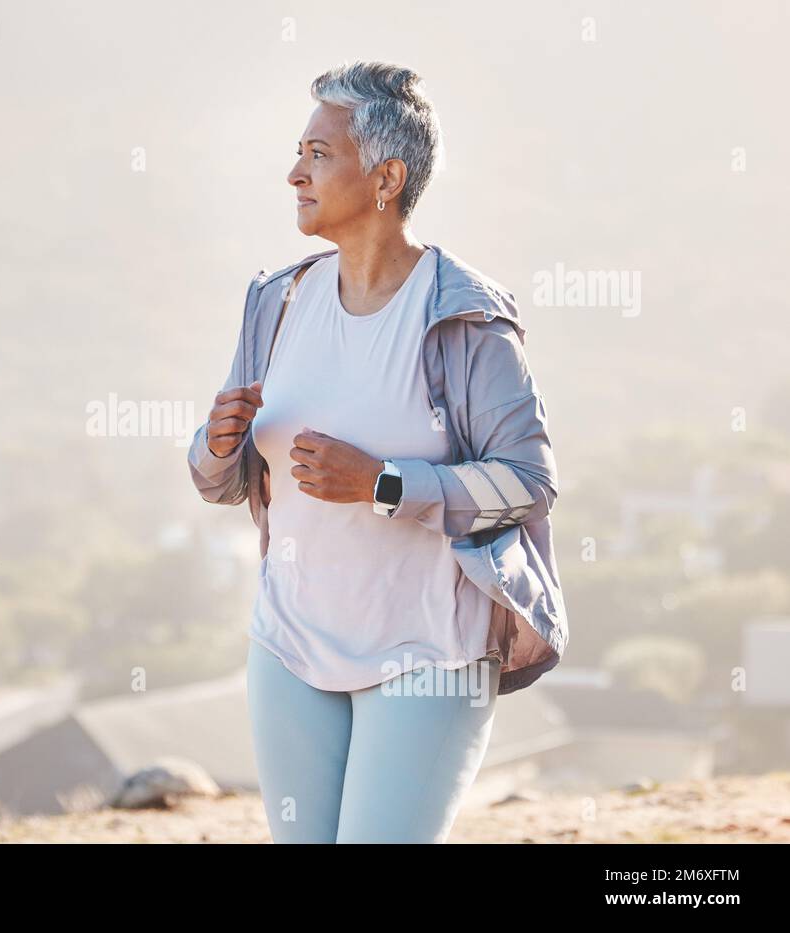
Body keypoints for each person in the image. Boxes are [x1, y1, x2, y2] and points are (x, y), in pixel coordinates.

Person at [187, 60, 568, 843]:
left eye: (319, 155)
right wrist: (215, 444)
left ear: (387, 176)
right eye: (300, 151)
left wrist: (384, 484)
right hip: (290, 644)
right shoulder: (277, 299)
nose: (295, 172)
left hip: (430, 650)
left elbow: (527, 482)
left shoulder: (465, 318)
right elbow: (218, 480)